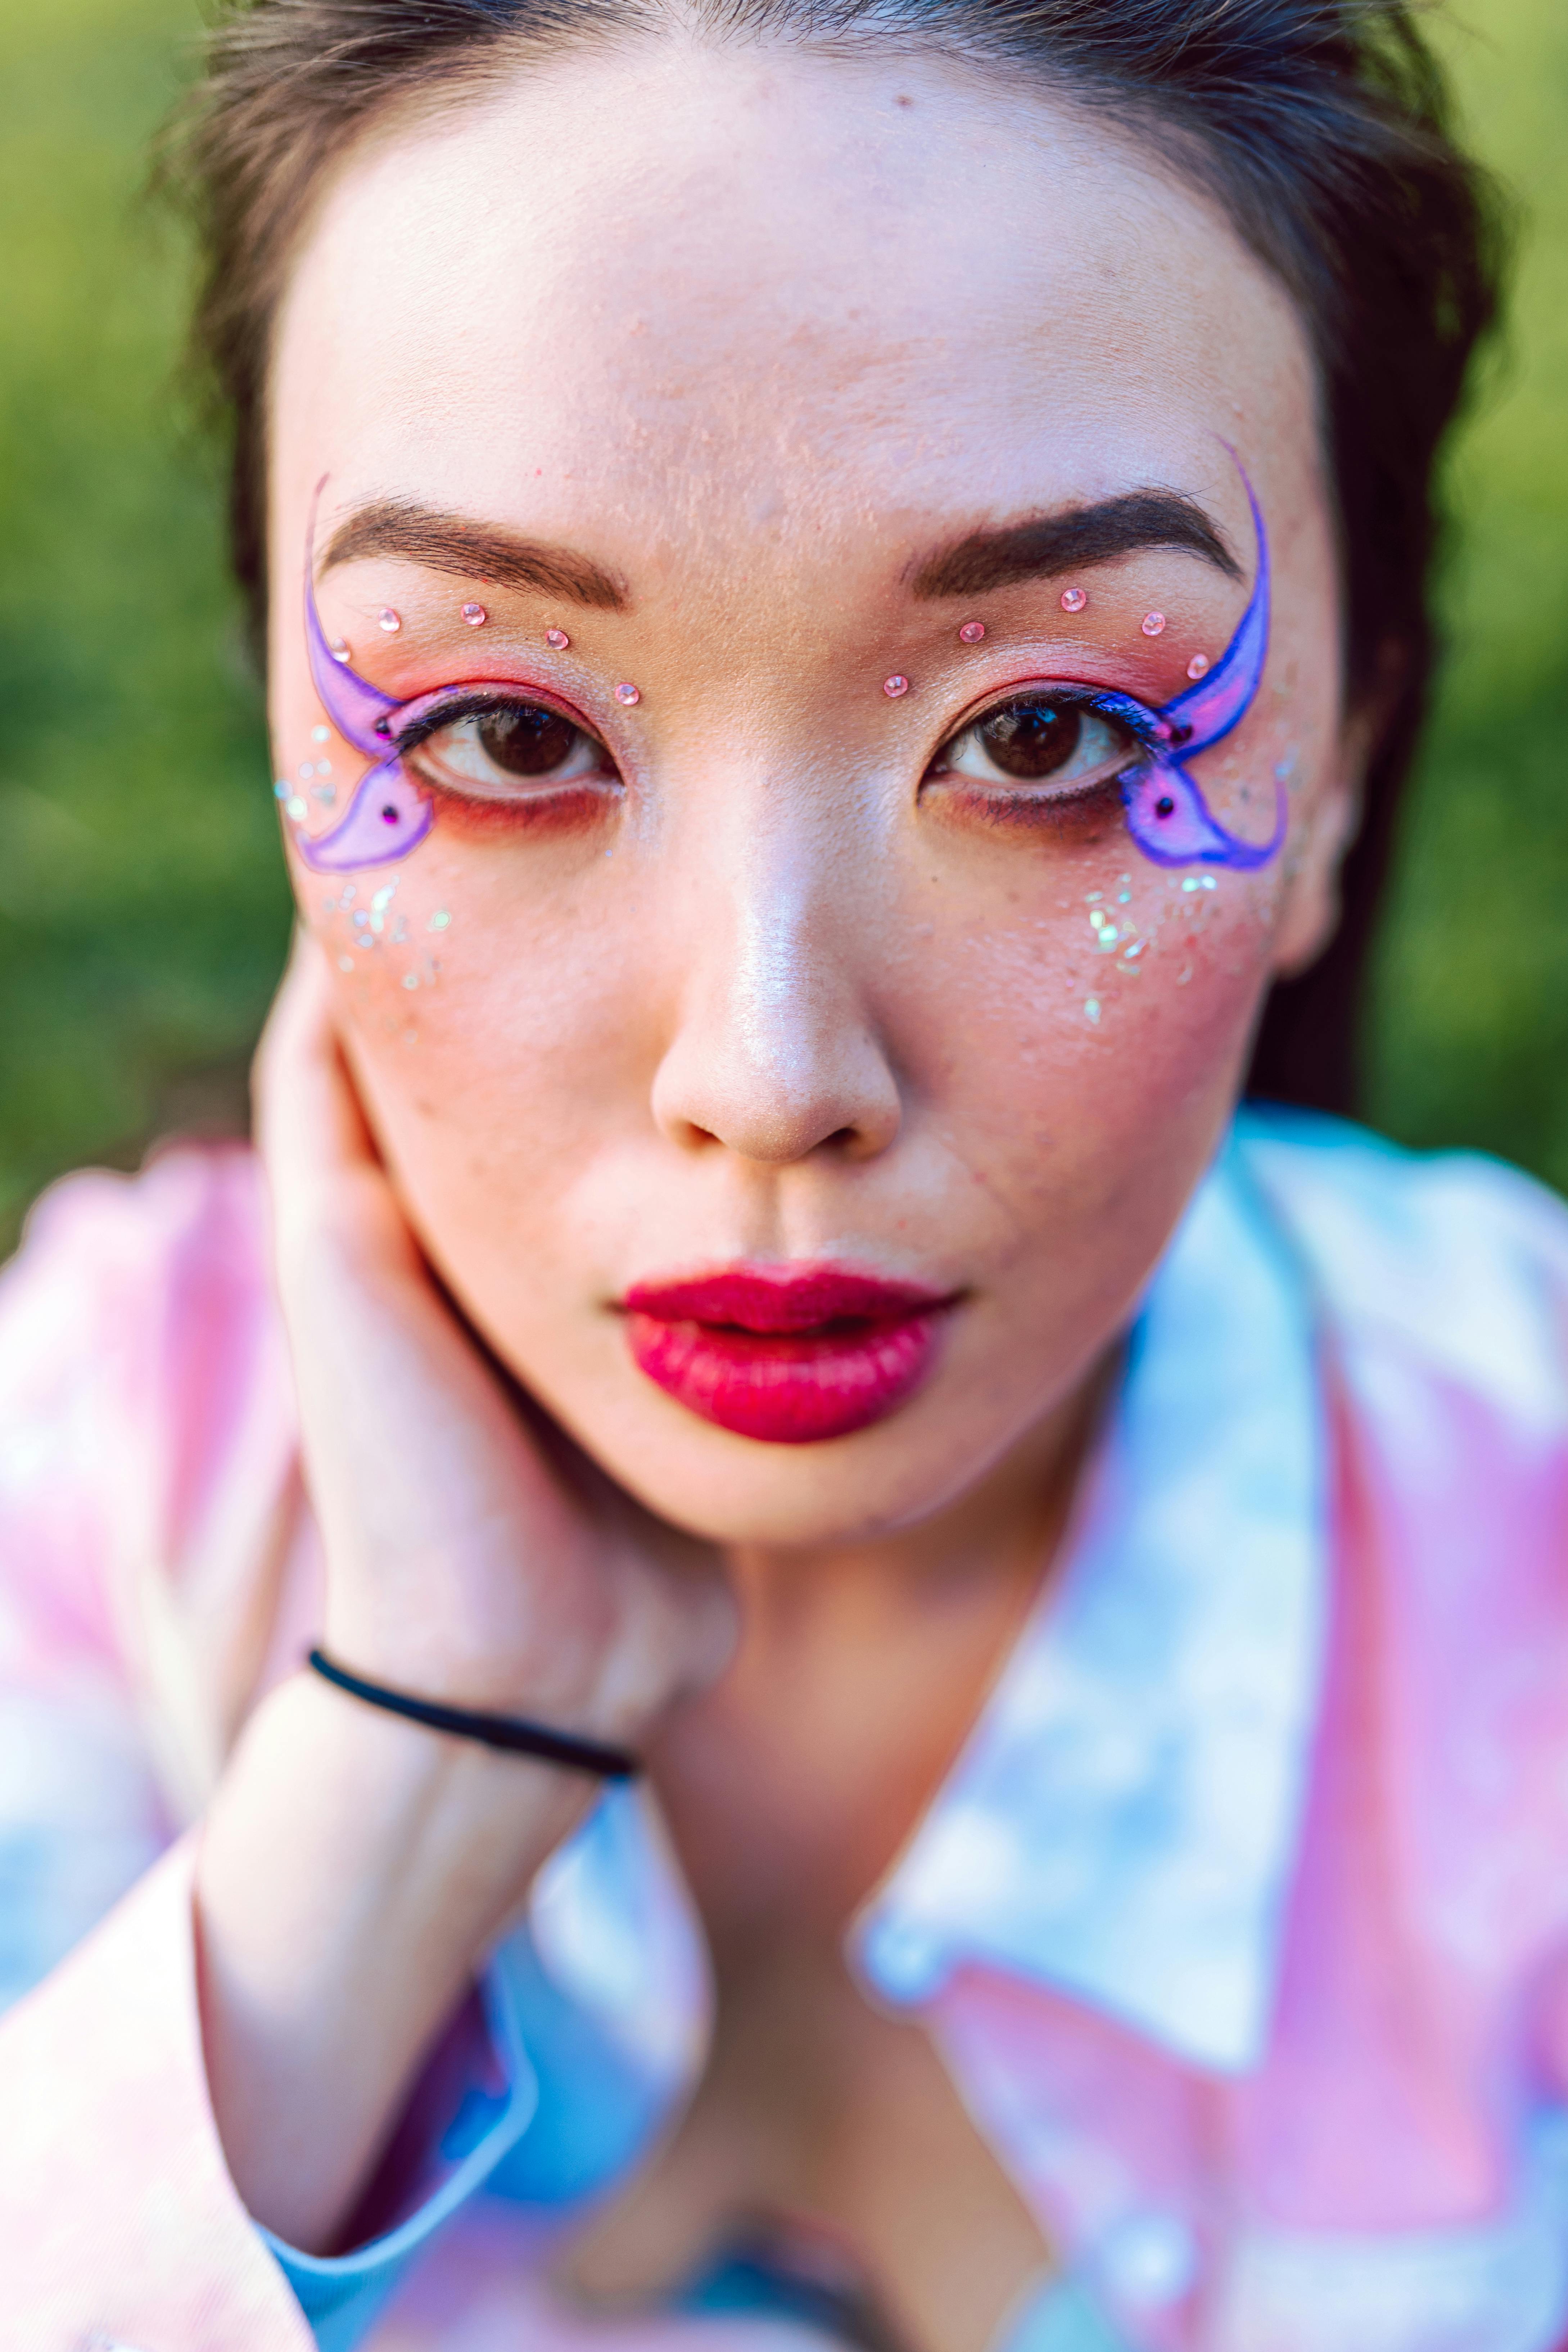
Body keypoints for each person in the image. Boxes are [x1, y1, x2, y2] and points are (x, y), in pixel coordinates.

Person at [2, 3, 1557, 2348]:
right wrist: (419, 1746)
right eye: (504, 733)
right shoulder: (86, 1507)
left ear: (1335, 769)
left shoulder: (1520, 1528)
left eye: (1044, 732)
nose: (765, 1070)